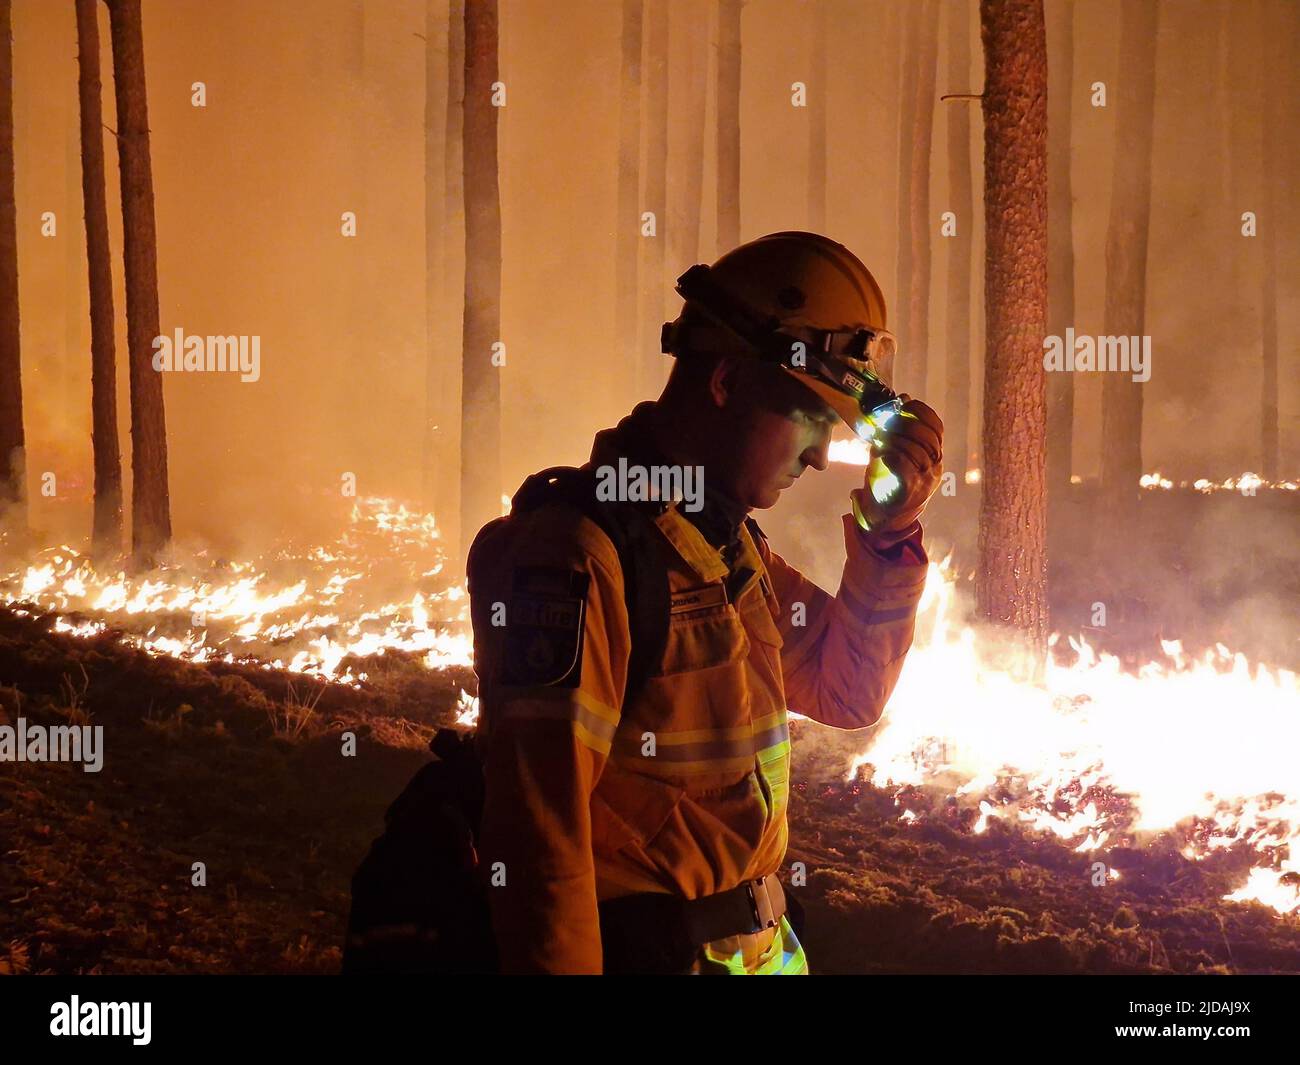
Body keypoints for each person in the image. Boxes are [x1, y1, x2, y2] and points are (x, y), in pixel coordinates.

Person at [466, 231, 943, 974]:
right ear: (727, 382)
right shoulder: (583, 557)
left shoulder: (722, 548)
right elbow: (539, 848)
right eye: (811, 420)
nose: (821, 456)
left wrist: (890, 534)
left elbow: (849, 690)